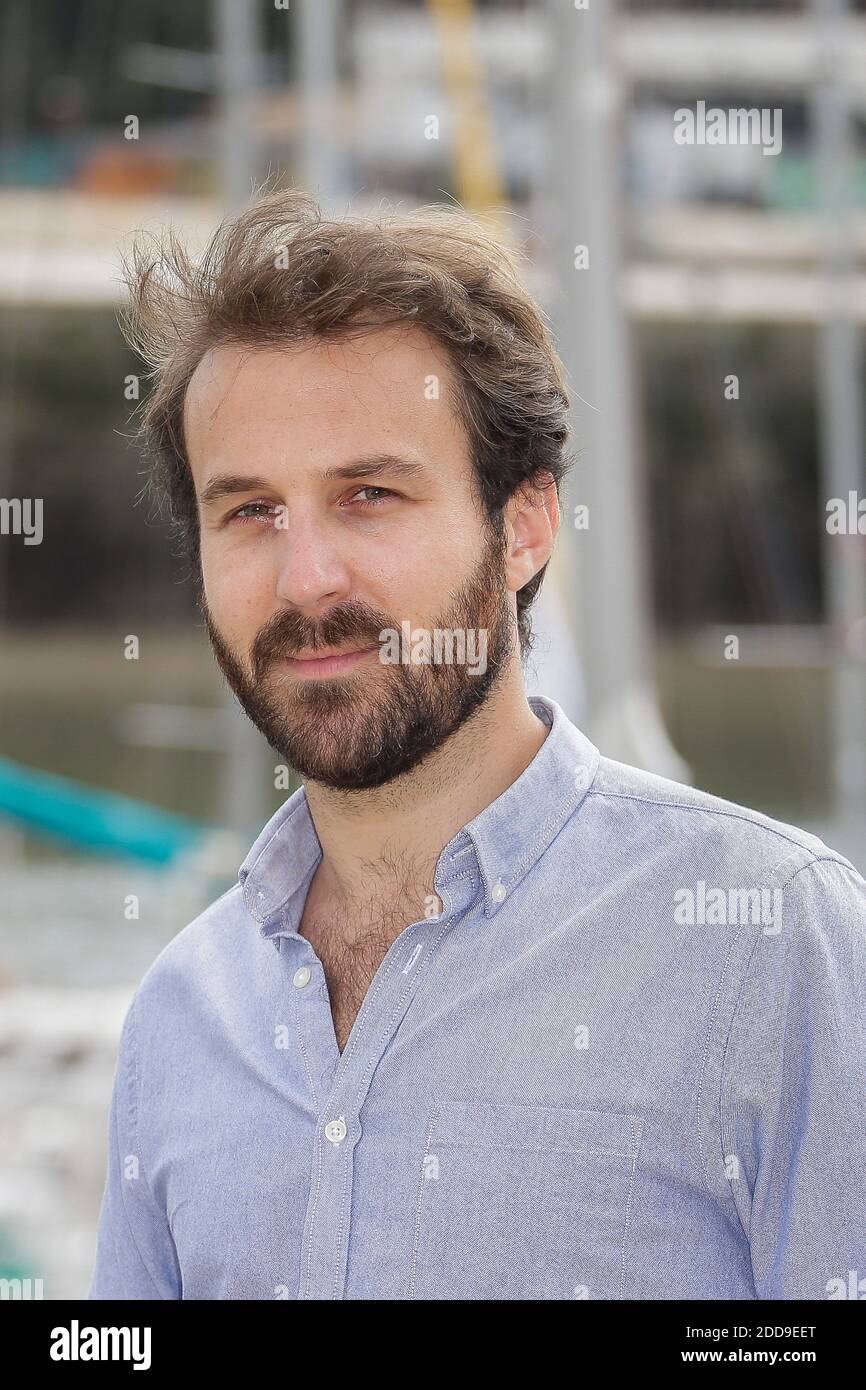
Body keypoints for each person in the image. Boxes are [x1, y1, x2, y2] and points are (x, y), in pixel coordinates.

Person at [89, 189, 866, 1301]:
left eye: (369, 494)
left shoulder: (770, 943)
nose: (305, 578)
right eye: (250, 511)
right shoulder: (179, 1013)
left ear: (525, 524)